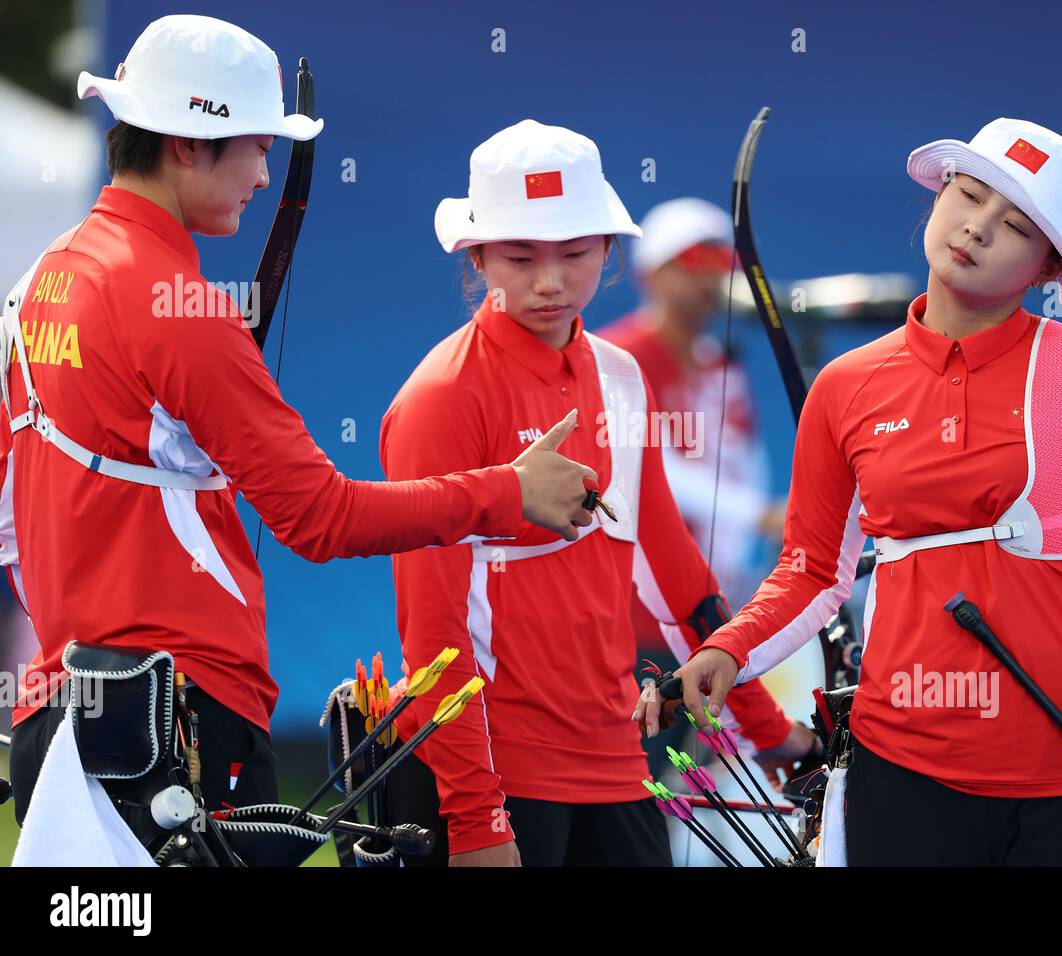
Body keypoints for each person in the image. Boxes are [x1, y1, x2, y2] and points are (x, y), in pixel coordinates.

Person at [1, 16, 595, 840]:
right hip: (176, 723)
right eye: (257, 146)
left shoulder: (40, 281)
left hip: (65, 719)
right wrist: (508, 490)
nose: (263, 174)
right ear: (188, 144)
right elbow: (322, 518)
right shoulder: (174, 307)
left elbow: (11, 528)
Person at [652, 117, 1062, 866]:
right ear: (939, 194)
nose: (975, 228)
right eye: (968, 194)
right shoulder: (844, 388)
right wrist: (731, 648)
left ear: (1045, 268)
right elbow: (813, 571)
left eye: (1013, 225)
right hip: (900, 763)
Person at [379, 119, 812, 867]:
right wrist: (477, 818)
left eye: (576, 254)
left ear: (610, 253)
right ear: (477, 256)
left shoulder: (620, 377)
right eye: (519, 257)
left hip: (618, 762)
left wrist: (769, 731)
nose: (550, 282)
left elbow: (678, 574)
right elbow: (433, 632)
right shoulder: (443, 396)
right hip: (502, 775)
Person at [600, 199, 786, 653]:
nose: (708, 274)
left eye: (722, 260)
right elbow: (642, 466)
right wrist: (760, 514)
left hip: (713, 609)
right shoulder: (614, 355)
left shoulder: (725, 367)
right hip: (633, 613)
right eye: (690, 259)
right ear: (651, 273)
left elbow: (745, 462)